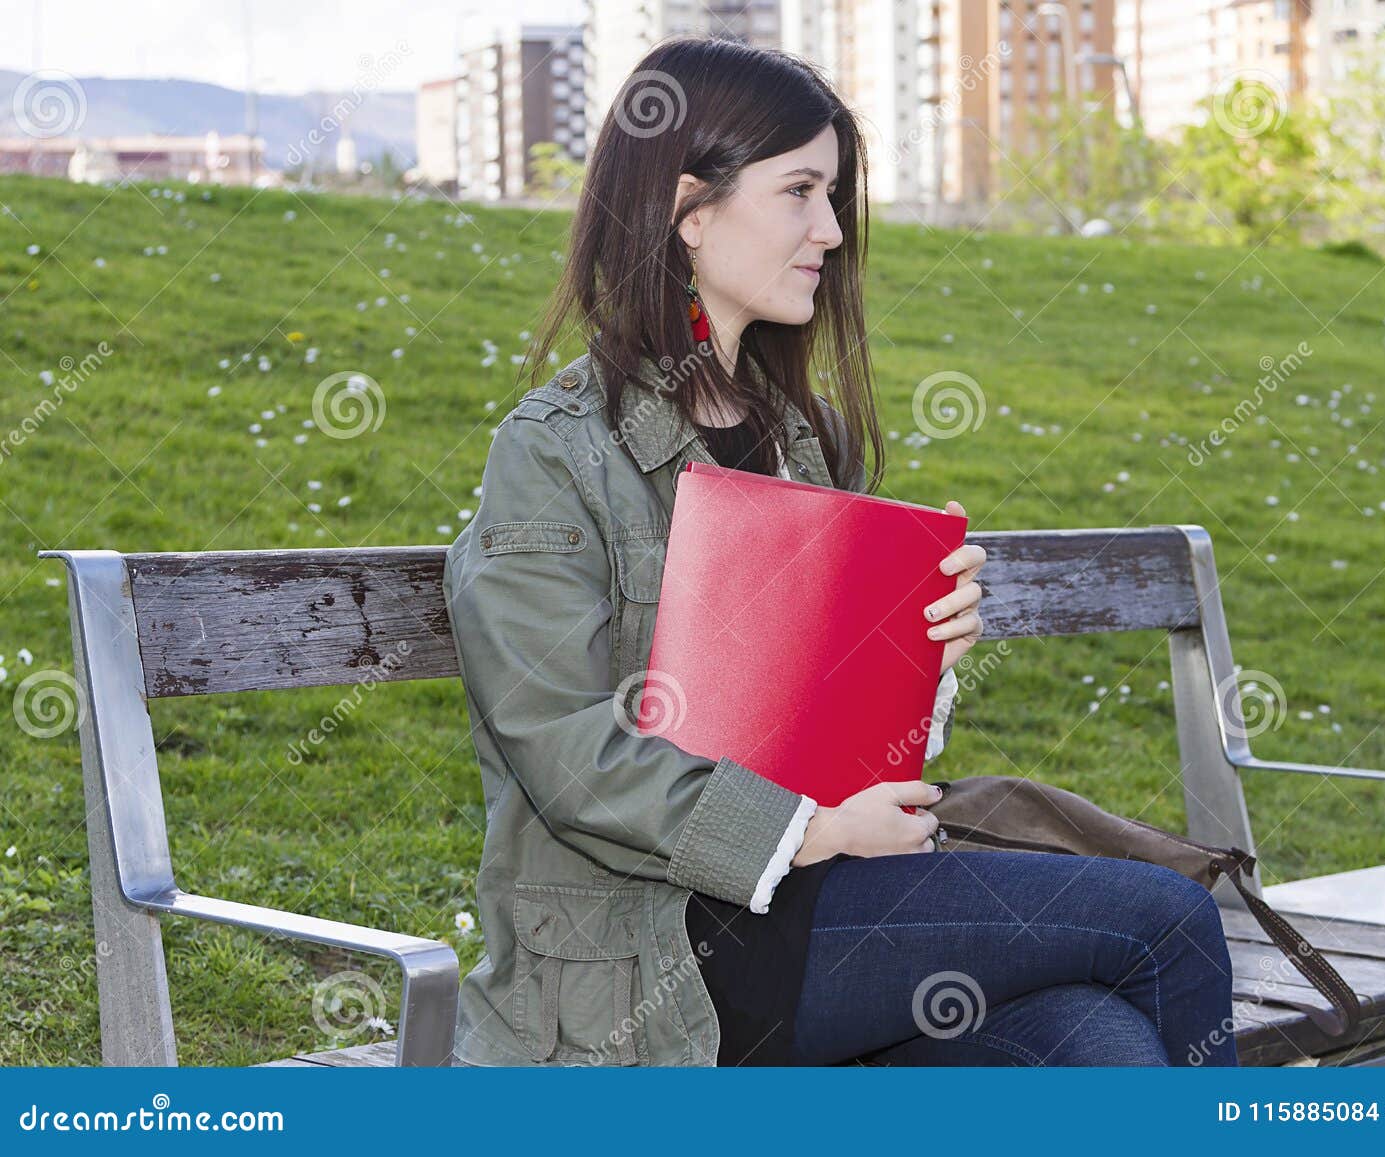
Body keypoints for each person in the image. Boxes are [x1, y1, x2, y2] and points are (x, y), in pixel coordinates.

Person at [442, 35, 1238, 1069]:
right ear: (689, 209)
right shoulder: (555, 450)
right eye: (801, 191)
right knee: (1163, 917)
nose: (831, 227)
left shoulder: (794, 433)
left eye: (834, 193)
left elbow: (819, 729)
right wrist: (811, 833)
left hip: (821, 919)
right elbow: (562, 750)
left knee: (1101, 1048)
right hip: (665, 958)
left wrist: (917, 661)